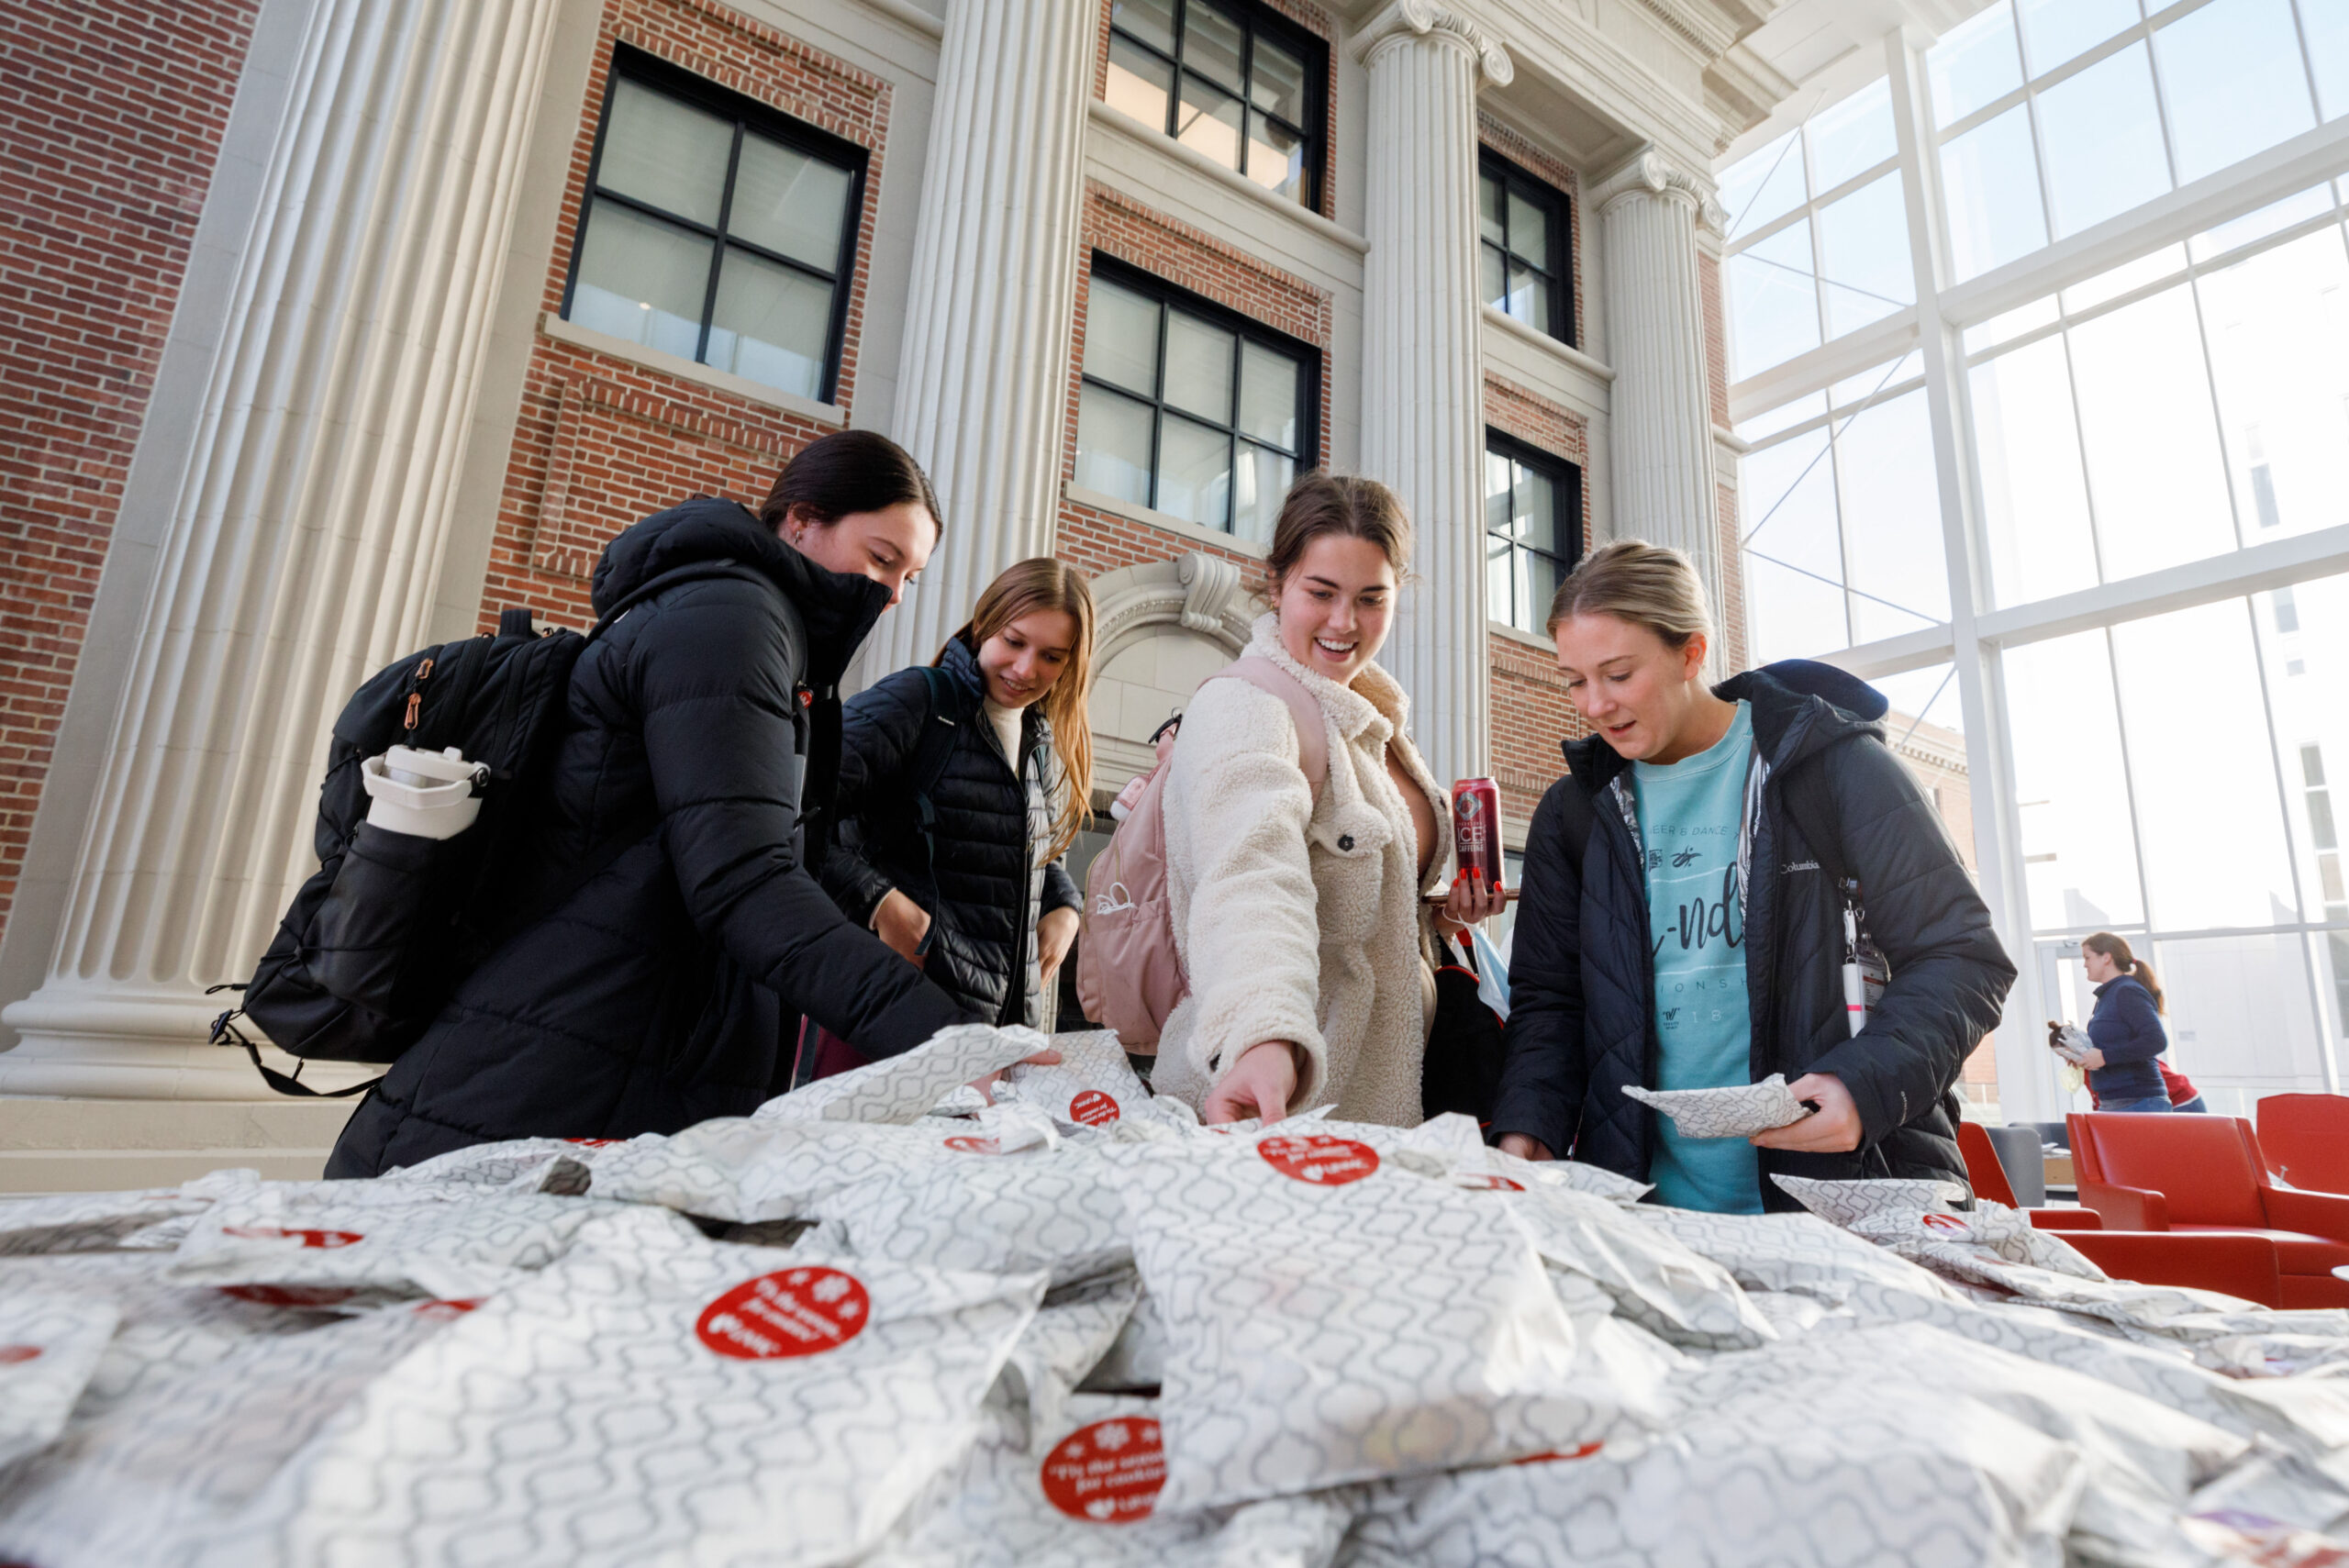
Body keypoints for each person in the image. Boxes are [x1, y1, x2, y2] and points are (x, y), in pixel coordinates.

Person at [328, 431, 983, 1176]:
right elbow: (743, 876)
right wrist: (944, 1039)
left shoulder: (751, 626)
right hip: (558, 1078)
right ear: (801, 521)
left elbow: (730, 833)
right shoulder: (732, 623)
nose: (892, 594)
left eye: (910, 577)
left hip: (601, 1057)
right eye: (881, 558)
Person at [1488, 540, 2016, 1210]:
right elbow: (1552, 1001)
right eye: (1574, 679)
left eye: (1618, 674)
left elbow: (1963, 958)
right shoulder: (1574, 813)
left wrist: (1863, 1085)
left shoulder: (1837, 770)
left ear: (1691, 652)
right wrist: (1529, 1119)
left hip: (1856, 1197)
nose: (1593, 705)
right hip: (1648, 1212)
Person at [1152, 473, 1505, 1128]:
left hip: (1386, 1097)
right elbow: (1250, 875)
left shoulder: (1376, 721)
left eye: (1371, 598)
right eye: (1322, 592)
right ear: (1277, 581)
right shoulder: (1244, 706)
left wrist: (1442, 916)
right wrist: (1263, 1034)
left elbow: (1363, 909)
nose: (1345, 622)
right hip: (1281, 1097)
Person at [818, 559, 1095, 1058]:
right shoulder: (917, 700)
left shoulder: (1039, 738)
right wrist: (879, 901)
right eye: (1014, 641)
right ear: (984, 625)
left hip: (987, 1041)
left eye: (1052, 656)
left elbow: (1013, 841)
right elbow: (797, 811)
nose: (1026, 669)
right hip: (891, 1020)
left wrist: (1065, 904)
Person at [2062, 931, 2174, 1114]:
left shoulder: (2127, 991)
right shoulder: (2107, 996)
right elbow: (2112, 1044)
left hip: (2139, 1101)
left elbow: (2156, 1040)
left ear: (2106, 957)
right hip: (2114, 1101)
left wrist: (2105, 1056)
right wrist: (2084, 1055)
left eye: (2087, 957)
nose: (2084, 964)